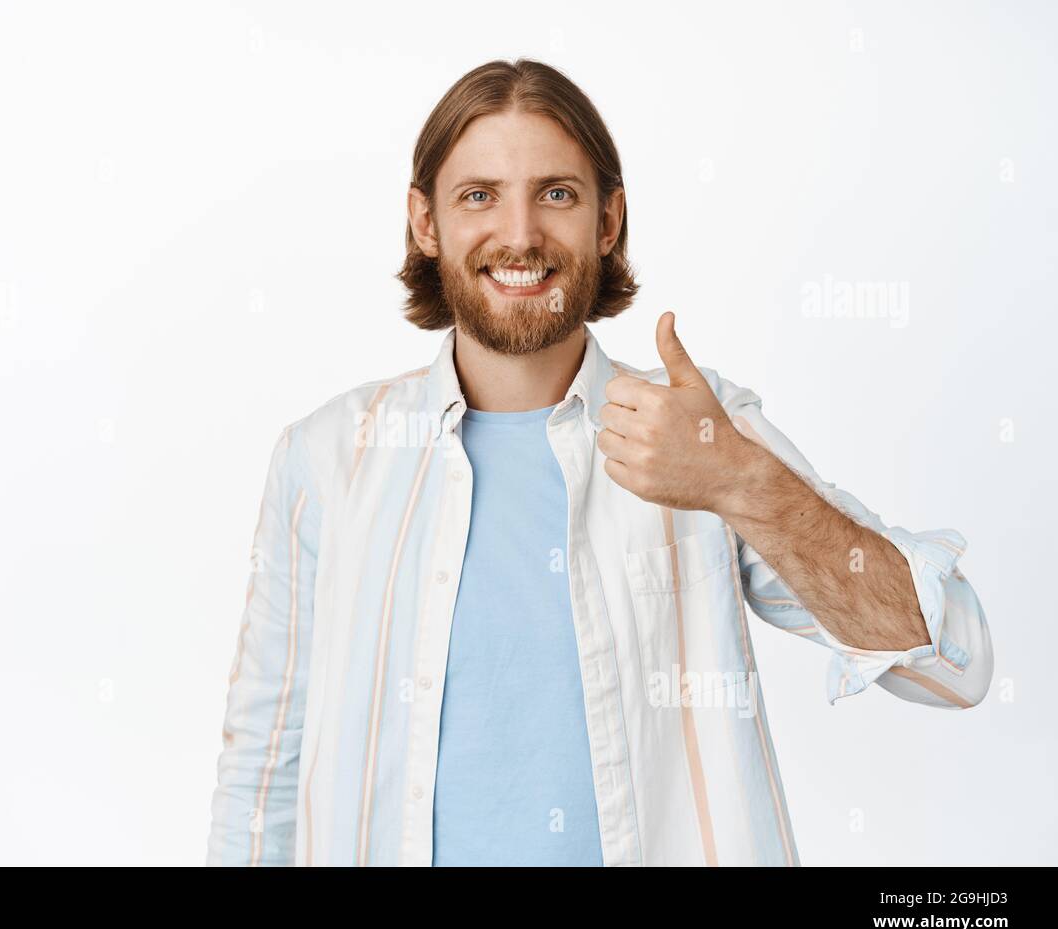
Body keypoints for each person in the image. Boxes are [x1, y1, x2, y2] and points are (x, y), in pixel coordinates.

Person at [206, 59, 993, 867]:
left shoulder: (700, 428)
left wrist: (737, 480)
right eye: (480, 195)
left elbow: (951, 662)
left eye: (557, 194)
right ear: (426, 222)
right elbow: (263, 767)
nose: (519, 235)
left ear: (609, 220)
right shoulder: (329, 458)